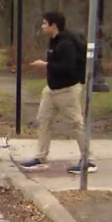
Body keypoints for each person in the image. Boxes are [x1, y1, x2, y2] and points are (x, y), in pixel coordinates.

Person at [20, 11, 92, 174]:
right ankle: (41, 157)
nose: (42, 26)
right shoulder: (54, 41)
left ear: (54, 26)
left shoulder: (66, 44)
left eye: (45, 23)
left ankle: (88, 159)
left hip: (67, 90)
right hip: (51, 90)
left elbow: (68, 68)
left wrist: (45, 64)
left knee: (76, 124)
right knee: (44, 121)